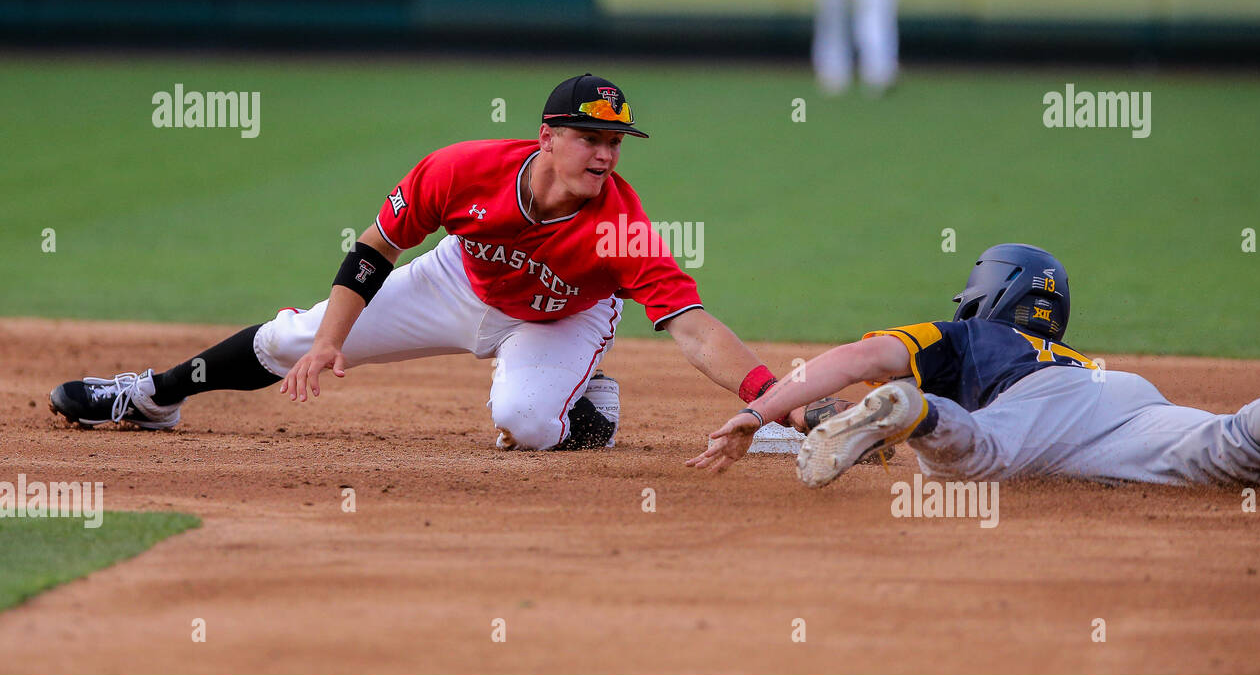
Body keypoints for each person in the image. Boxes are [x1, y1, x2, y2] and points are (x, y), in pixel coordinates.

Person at [49, 74, 790, 451]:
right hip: (456, 282)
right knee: (290, 340)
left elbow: (689, 326)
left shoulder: (620, 225)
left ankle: (586, 409)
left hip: (562, 316)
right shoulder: (461, 171)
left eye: (614, 142)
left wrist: (768, 392)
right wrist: (333, 338)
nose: (604, 152)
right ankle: (152, 397)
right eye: (588, 136)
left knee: (525, 423)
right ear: (546, 137)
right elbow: (375, 248)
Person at [691, 243, 1260, 489]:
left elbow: (857, 358)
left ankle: (915, 412)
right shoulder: (1064, 350)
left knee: (974, 463)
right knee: (1235, 454)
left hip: (1036, 406)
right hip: (1125, 397)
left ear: (989, 291)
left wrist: (758, 411)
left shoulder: (967, 333)